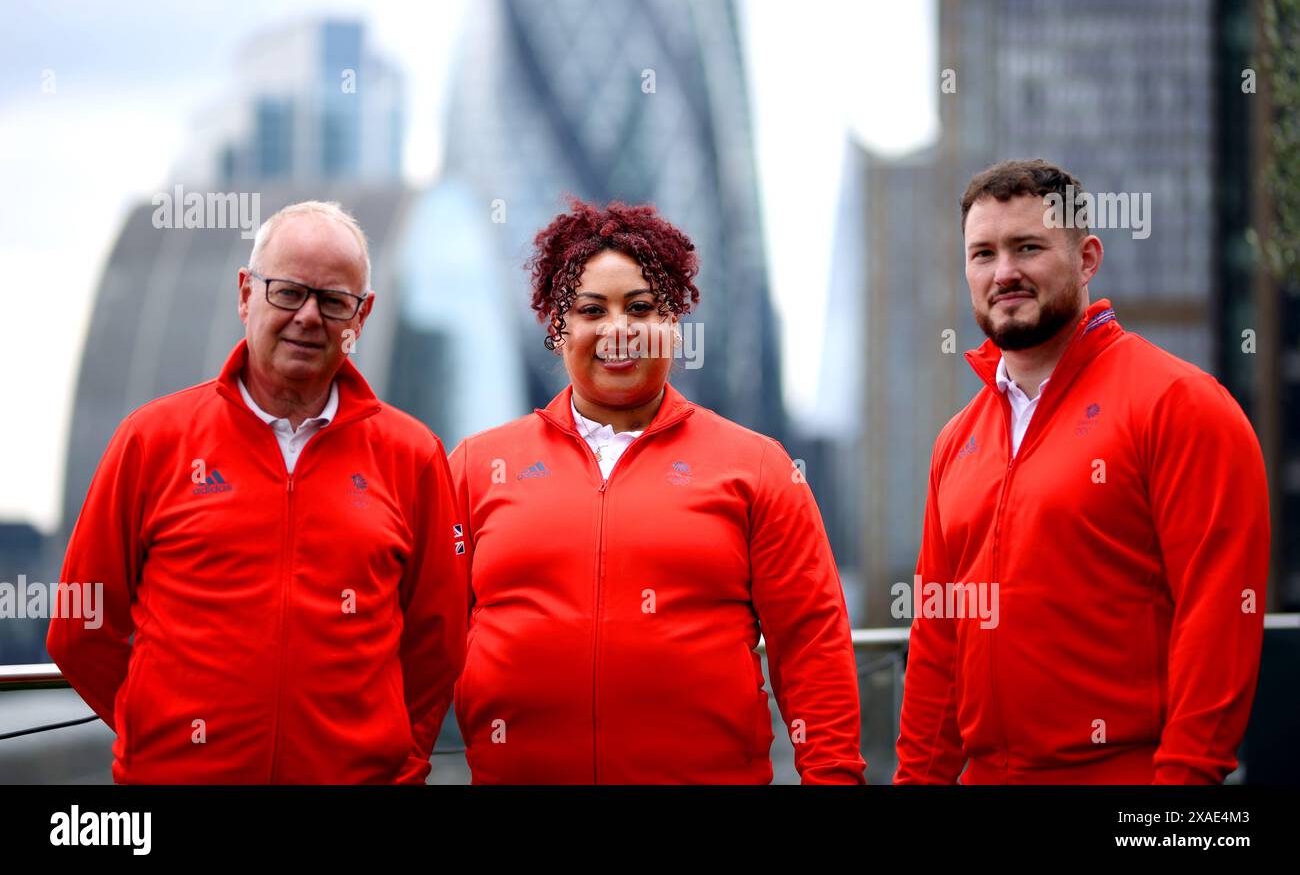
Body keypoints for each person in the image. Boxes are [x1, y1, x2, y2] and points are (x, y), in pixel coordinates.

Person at [47, 200, 467, 784]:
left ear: (361, 317)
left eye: (334, 301)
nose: (309, 317)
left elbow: (438, 643)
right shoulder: (152, 439)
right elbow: (79, 625)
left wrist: (403, 763)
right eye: (288, 292)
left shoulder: (412, 454)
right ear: (246, 293)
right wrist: (160, 734)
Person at [448, 199, 865, 784]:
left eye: (640, 308)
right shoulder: (477, 464)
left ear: (673, 321)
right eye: (592, 309)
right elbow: (423, 640)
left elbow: (812, 647)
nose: (618, 329)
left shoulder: (757, 465)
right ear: (558, 327)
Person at [894, 159, 1270, 784]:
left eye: (1028, 247)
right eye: (983, 253)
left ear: (1087, 257)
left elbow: (1220, 620)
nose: (1004, 272)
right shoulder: (955, 442)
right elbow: (939, 644)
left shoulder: (1180, 405)